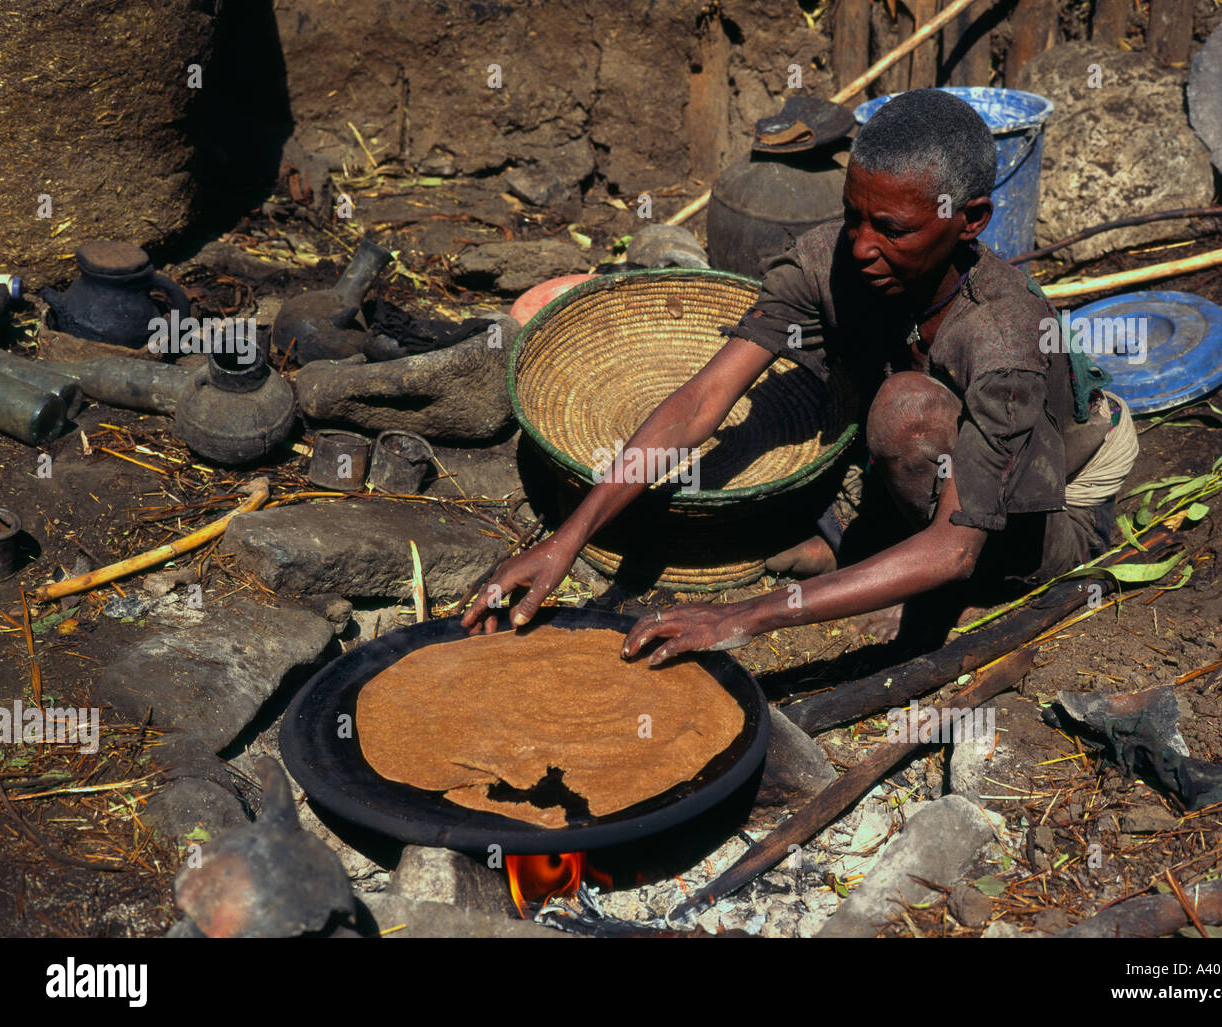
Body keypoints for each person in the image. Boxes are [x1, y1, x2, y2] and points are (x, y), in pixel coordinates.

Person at [462, 89, 1138, 666]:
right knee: (887, 408)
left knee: (905, 412)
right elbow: (703, 399)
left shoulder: (1004, 333)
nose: (863, 245)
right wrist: (567, 538)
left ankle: (920, 576)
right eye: (853, 215)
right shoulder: (832, 261)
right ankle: (873, 545)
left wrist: (746, 615)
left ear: (971, 222)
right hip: (935, 457)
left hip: (1056, 502)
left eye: (893, 229)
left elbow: (957, 546)